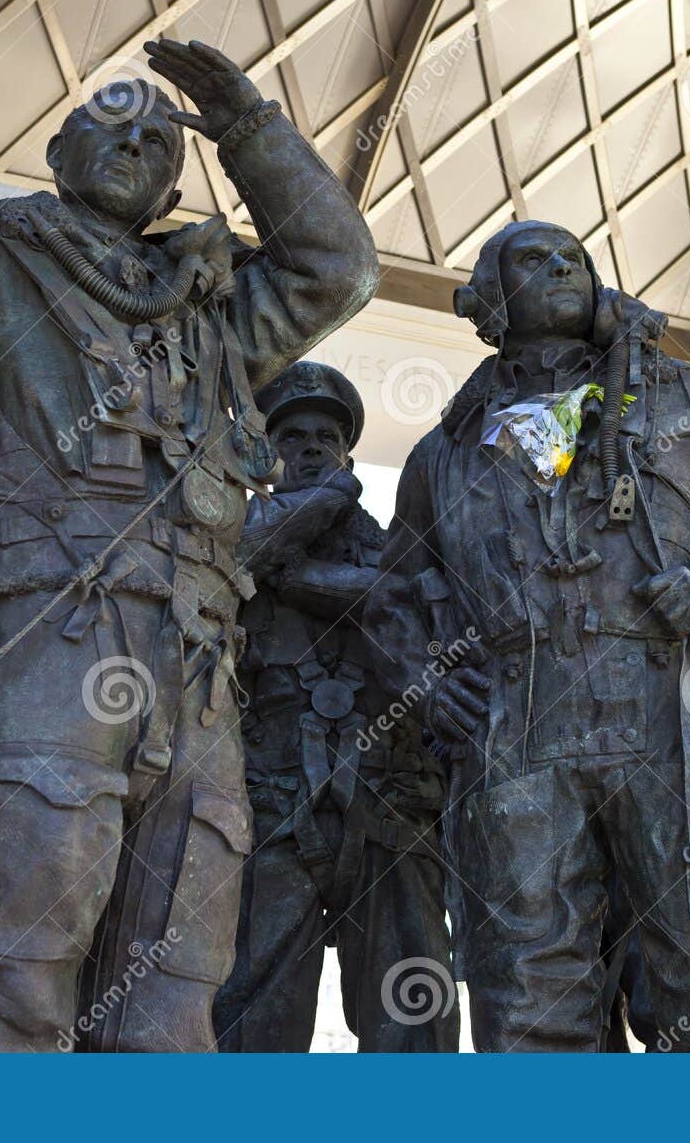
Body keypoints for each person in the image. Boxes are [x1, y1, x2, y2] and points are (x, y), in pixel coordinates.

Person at [0, 40, 378, 1051]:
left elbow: (337, 270)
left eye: (156, 142)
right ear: (53, 148)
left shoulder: (207, 307)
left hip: (198, 667)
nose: (135, 145)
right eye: (110, 126)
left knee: (174, 995)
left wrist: (251, 129)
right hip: (35, 633)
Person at [365, 220, 690, 1051]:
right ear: (488, 302)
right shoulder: (446, 452)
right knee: (528, 991)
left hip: (671, 718)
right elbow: (393, 597)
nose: (561, 269)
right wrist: (429, 678)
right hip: (516, 735)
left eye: (573, 257)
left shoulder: (685, 404)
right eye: (533, 261)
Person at [213, 361, 457, 1052]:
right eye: (291, 436)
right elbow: (243, 556)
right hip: (270, 807)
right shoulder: (240, 531)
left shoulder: (393, 543)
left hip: (386, 802)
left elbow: (407, 598)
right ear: (266, 453)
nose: (312, 447)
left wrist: (304, 578)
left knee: (413, 1010)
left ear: (350, 451)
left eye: (327, 436)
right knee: (252, 1008)